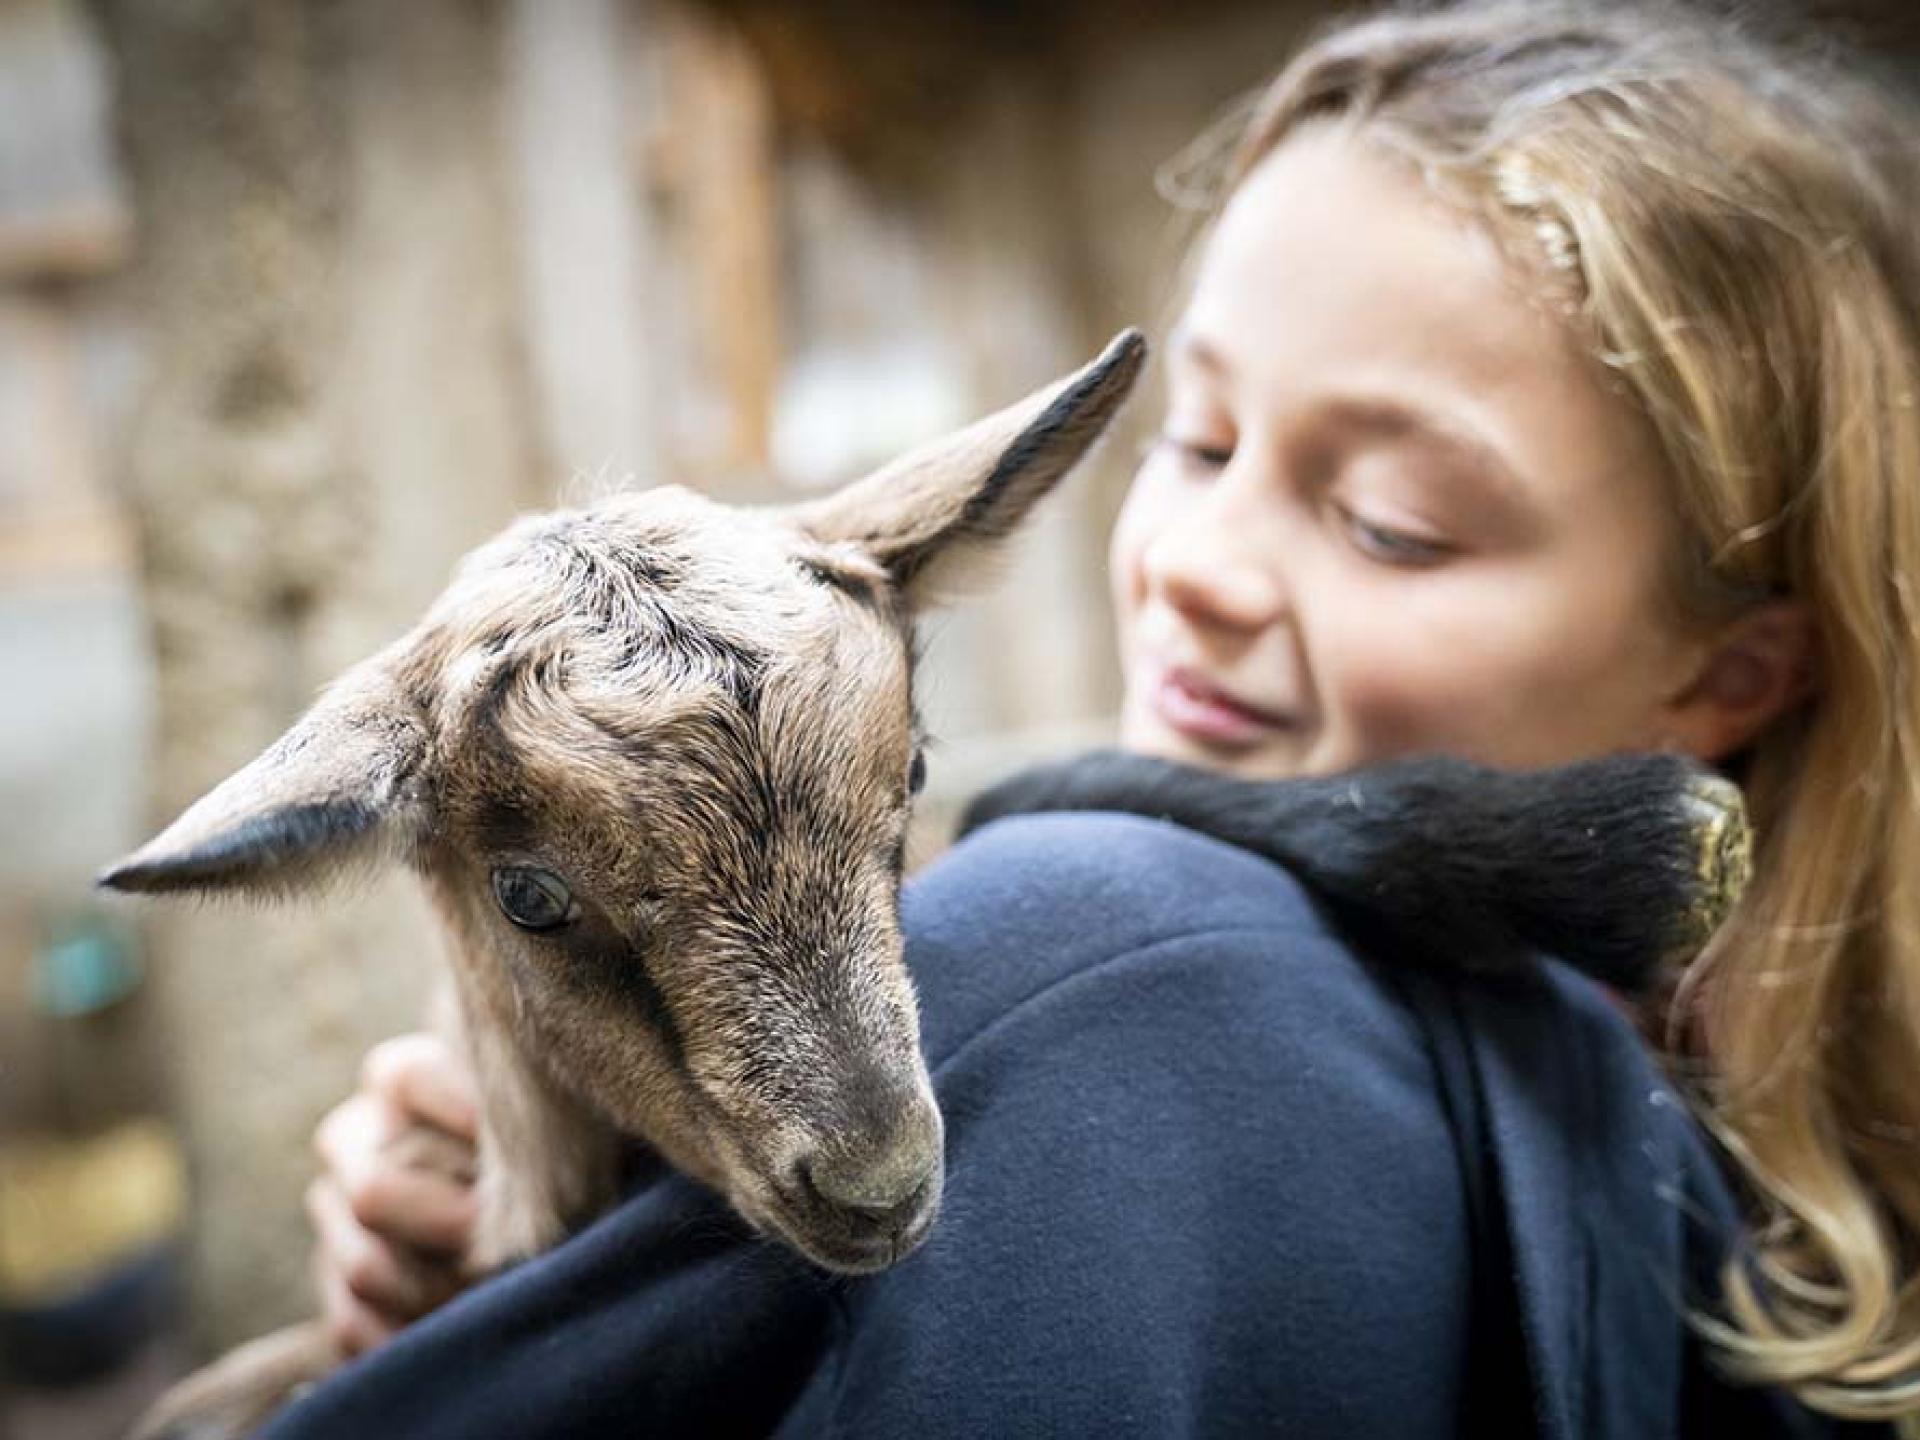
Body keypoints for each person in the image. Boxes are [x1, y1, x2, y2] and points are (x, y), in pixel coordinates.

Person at [286, 1, 1920, 1433]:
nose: (1199, 567)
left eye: (1396, 523)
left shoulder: (1113, 972)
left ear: (1729, 678)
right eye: (1197, 443)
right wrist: (547, 1252)